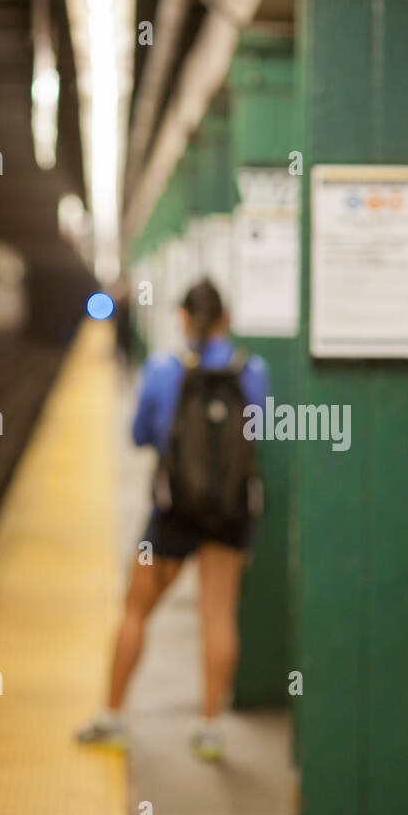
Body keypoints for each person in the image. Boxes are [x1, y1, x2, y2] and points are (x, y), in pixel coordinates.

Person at [78, 279, 268, 761]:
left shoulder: (163, 368)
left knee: (136, 609)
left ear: (183, 319)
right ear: (225, 319)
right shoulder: (253, 371)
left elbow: (139, 434)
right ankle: (208, 729)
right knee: (219, 616)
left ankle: (112, 716)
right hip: (228, 510)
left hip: (173, 511)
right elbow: (260, 431)